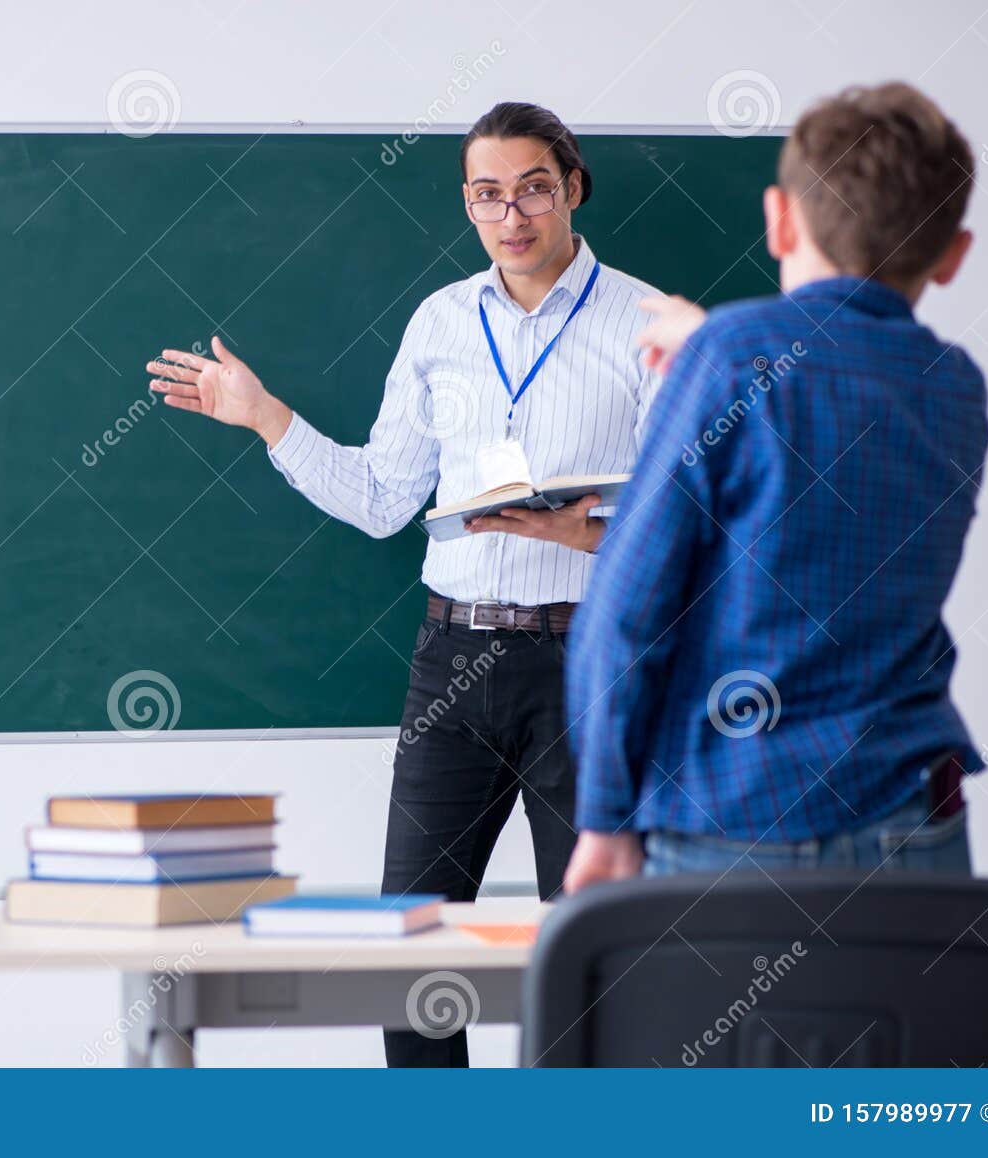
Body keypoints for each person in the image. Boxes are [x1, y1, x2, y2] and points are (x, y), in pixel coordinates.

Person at [146, 103, 662, 1066]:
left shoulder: (648, 323)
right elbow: (385, 499)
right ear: (468, 205)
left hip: (591, 660)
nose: (513, 215)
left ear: (574, 188)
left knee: (596, 953)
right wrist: (267, 421)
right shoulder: (440, 322)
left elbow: (696, 519)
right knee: (410, 954)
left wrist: (581, 529)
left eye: (534, 189)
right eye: (488, 195)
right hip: (455, 658)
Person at [562, 82, 985, 892]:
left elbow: (624, 611)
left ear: (779, 217)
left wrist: (606, 816)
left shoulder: (735, 355)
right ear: (954, 254)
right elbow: (827, 386)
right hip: (918, 818)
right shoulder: (954, 383)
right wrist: (719, 343)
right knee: (911, 1025)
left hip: (736, 818)